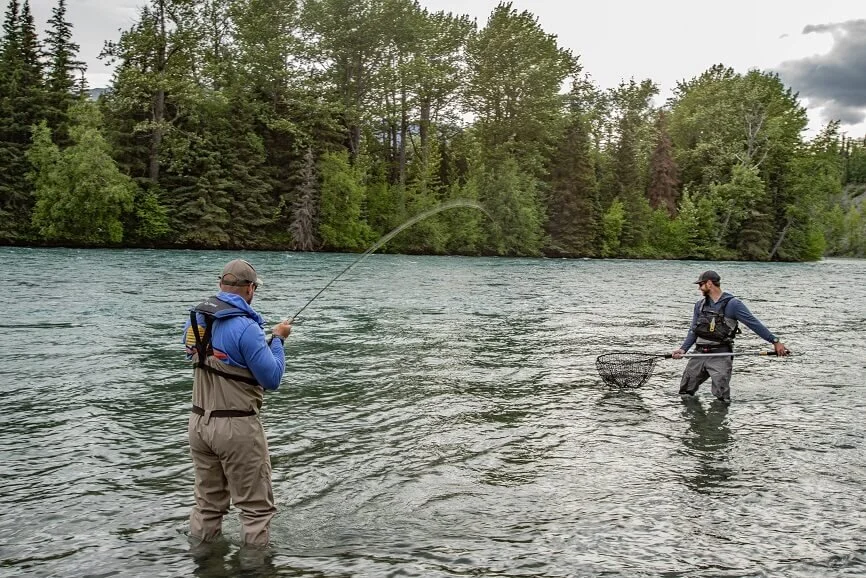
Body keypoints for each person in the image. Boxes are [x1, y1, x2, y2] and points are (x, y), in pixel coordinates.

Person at [182, 258, 292, 547]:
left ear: (221, 284)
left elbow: (207, 354)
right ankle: (254, 567)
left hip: (198, 425)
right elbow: (272, 379)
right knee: (256, 510)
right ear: (250, 289)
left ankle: (203, 561)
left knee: (207, 505)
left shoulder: (195, 320)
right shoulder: (247, 328)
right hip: (236, 428)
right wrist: (278, 340)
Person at [671, 270, 789, 403]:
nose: (699, 288)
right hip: (699, 354)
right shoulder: (699, 305)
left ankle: (720, 414)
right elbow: (693, 330)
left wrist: (775, 341)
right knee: (685, 392)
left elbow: (754, 324)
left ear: (709, 283)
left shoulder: (733, 304)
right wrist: (683, 349)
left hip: (721, 355)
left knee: (721, 397)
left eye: (701, 284)